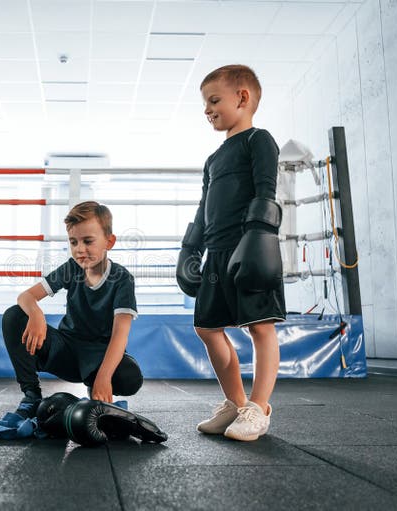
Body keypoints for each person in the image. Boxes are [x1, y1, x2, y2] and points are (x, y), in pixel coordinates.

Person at [176, 64, 285, 442]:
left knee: (260, 326)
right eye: (205, 103)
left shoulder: (259, 140)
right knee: (206, 327)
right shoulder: (213, 159)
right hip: (216, 253)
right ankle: (236, 404)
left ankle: (258, 407)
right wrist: (191, 246)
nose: (207, 109)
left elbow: (265, 189)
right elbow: (205, 205)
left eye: (214, 100)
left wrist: (259, 236)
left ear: (243, 97)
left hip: (250, 246)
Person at [2, 201, 142, 418]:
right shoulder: (71, 268)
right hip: (66, 350)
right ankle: (31, 394)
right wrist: (37, 314)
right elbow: (26, 296)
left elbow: (119, 336)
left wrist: (103, 378)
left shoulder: (122, 279)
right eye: (73, 242)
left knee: (131, 378)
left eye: (88, 241)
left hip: (99, 355)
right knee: (14, 316)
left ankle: (94, 383)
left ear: (109, 241)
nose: (79, 249)